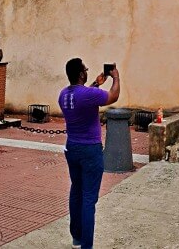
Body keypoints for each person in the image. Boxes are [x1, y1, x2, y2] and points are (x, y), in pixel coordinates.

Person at [59, 58, 120, 249]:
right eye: (84, 69)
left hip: (72, 147)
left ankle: (76, 238)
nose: (86, 71)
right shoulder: (88, 94)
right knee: (88, 199)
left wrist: (95, 83)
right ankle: (87, 245)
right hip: (90, 150)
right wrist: (116, 78)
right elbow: (113, 96)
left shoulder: (63, 94)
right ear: (80, 74)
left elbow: (83, 100)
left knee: (76, 191)